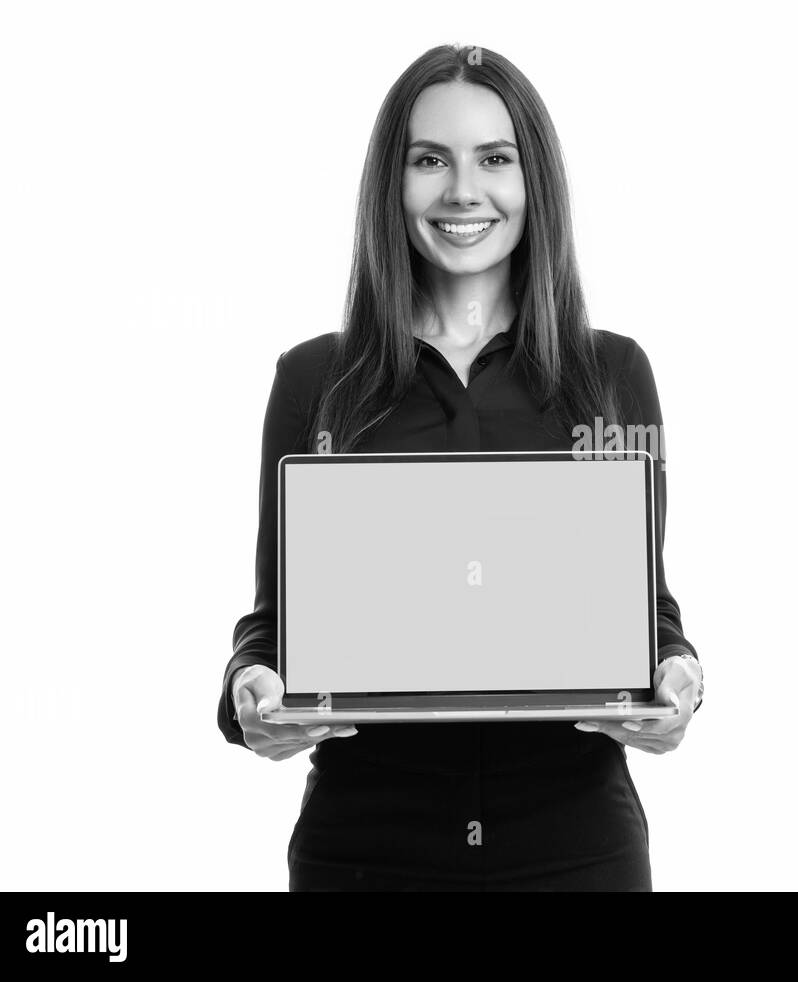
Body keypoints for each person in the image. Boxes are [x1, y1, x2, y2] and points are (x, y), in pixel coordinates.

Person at [215, 44, 704, 891]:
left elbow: (643, 608)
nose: (462, 191)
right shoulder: (313, 382)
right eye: (430, 160)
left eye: (495, 159)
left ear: (533, 182)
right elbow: (275, 624)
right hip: (366, 847)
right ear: (391, 185)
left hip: (574, 845)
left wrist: (679, 676)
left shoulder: (614, 375)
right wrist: (248, 688)